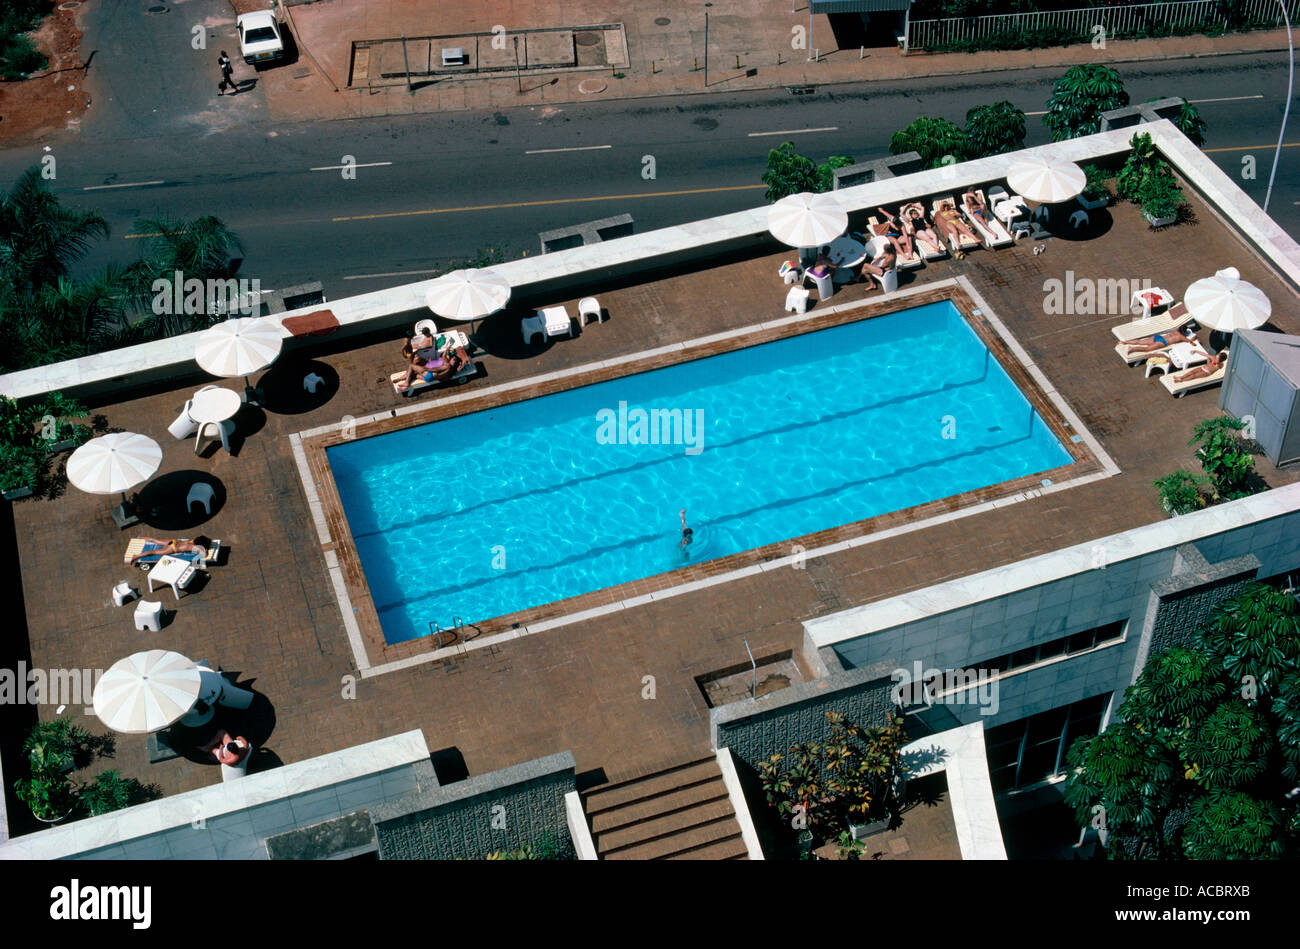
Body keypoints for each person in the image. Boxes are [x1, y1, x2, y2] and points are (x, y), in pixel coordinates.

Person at [1120, 328, 1196, 355]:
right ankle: (1132, 349)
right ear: (1184, 332)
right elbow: (1190, 341)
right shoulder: (1181, 337)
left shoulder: (1175, 330)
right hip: (1163, 342)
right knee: (1147, 349)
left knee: (1139, 342)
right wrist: (1195, 337)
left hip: (1158, 337)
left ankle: (1125, 342)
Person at [130, 537, 208, 563]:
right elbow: (204, 554)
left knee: (154, 540)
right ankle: (135, 557)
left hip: (174, 541)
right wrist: (206, 550)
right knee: (152, 552)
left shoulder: (193, 540)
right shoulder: (195, 547)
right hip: (172, 548)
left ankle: (140, 537)